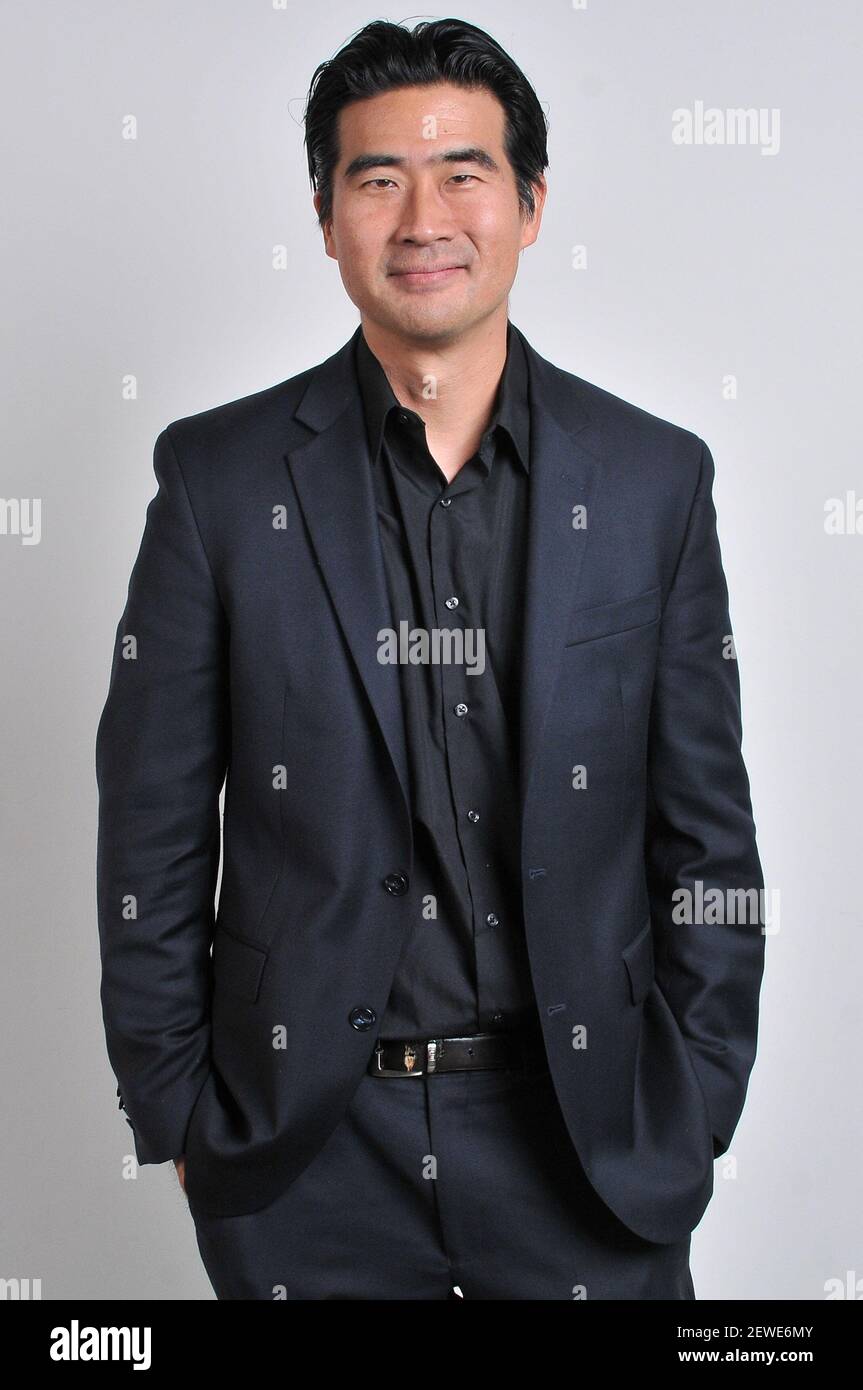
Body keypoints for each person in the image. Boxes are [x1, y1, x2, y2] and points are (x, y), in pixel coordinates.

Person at [96, 16, 765, 1300]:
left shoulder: (648, 480)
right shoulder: (218, 482)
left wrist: (694, 1092)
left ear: (527, 203)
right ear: (324, 213)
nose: (423, 217)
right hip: (307, 1158)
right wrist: (178, 1112)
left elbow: (707, 836)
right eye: (376, 178)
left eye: (462, 172)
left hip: (584, 1141)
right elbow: (153, 826)